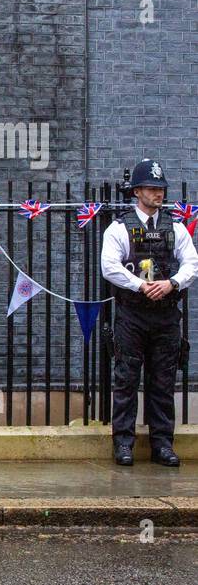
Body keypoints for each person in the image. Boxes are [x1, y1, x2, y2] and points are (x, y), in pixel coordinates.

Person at [100, 159, 198, 467]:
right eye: (153, 189)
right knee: (126, 379)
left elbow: (192, 264)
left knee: (163, 380)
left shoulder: (176, 228)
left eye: (161, 189)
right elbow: (109, 267)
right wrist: (140, 286)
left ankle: (163, 445)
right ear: (138, 191)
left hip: (167, 314)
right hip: (132, 313)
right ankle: (124, 444)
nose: (159, 194)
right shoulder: (118, 228)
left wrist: (171, 283)